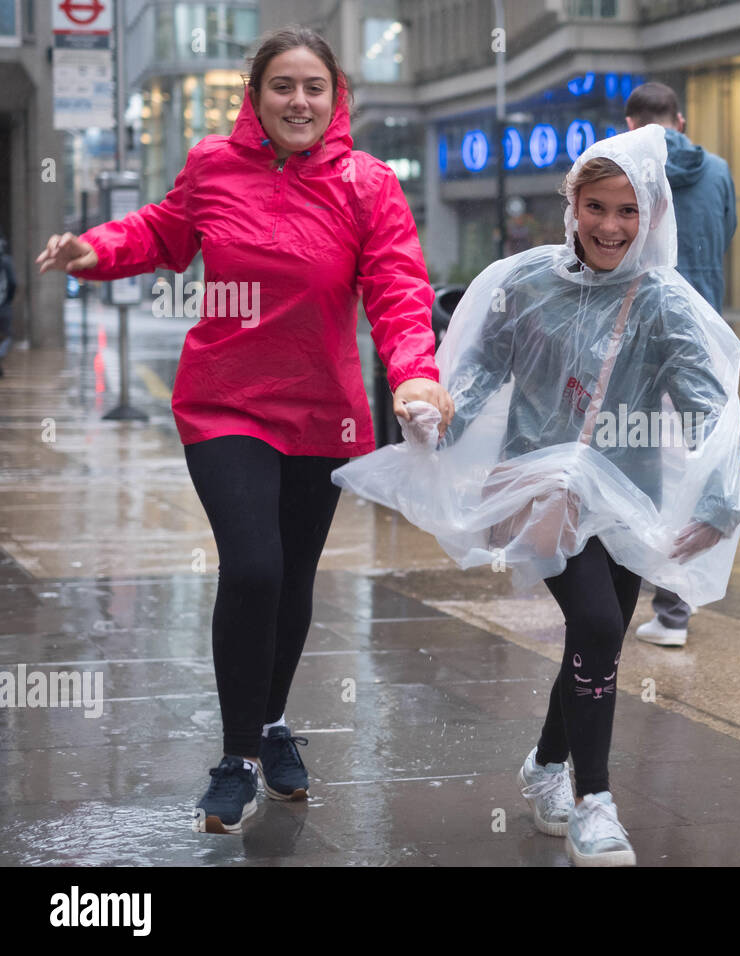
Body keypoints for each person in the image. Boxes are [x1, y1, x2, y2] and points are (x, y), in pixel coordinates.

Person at [37, 25, 453, 835]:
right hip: (224, 399)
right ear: (255, 96)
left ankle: (268, 725)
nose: (298, 101)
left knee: (294, 581)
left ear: (337, 99)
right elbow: (163, 230)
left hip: (324, 411)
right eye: (282, 86)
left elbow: (399, 287)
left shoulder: (368, 185)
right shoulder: (212, 164)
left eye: (314, 87)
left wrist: (414, 372)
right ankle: (235, 759)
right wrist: (96, 248)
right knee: (254, 566)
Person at [333, 124, 740, 865]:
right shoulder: (527, 284)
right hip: (541, 490)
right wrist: (436, 411)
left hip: (627, 494)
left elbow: (705, 406)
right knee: (594, 624)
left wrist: (721, 494)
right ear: (572, 204)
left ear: (652, 215)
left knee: (602, 637)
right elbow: (478, 376)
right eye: (597, 207)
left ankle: (546, 765)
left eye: (629, 211)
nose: (611, 226)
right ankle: (595, 799)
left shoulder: (662, 303)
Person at [625, 81, 738, 647]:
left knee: (639, 457)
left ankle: (631, 583)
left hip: (647, 334)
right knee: (698, 463)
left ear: (630, 125)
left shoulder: (631, 171)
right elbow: (726, 236)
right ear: (682, 121)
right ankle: (675, 608)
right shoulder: (718, 171)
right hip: (706, 334)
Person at [0, 232, 15, 377]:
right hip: (3, 305)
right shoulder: (6, 261)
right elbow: (13, 283)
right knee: (8, 336)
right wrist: (8, 300)